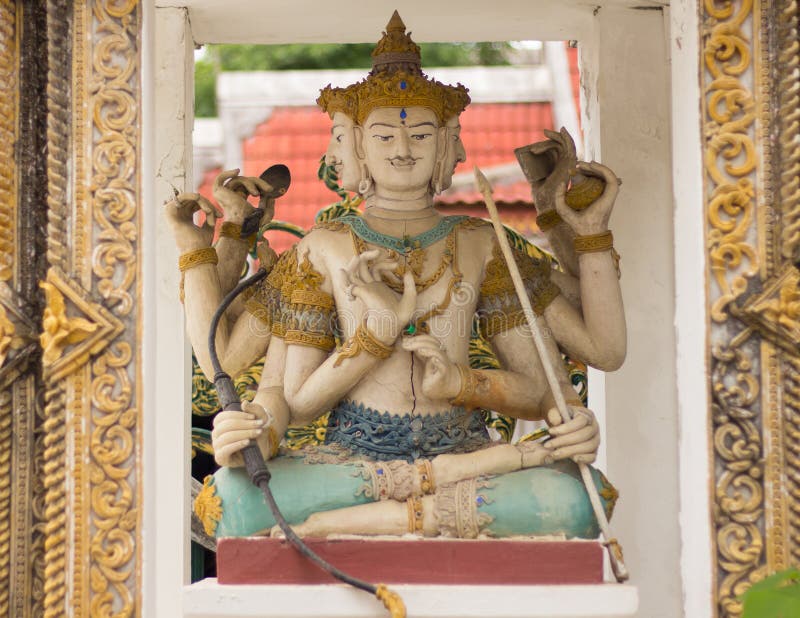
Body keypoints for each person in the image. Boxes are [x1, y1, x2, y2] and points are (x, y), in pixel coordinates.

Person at [176, 12, 625, 540]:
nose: (404, 150)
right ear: (355, 144)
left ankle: (341, 526)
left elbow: (545, 388)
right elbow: (282, 396)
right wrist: (255, 431)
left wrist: (474, 387)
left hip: (468, 456)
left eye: (420, 134)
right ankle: (417, 517)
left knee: (582, 497)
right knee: (229, 501)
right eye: (385, 135)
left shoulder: (479, 243)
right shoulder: (327, 249)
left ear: (448, 144)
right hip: (354, 465)